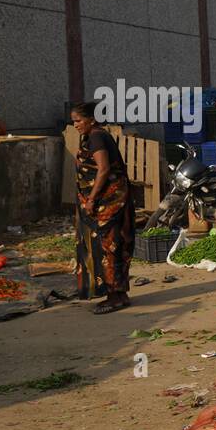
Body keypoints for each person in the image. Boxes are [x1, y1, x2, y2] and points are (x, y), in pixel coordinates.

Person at [70, 101, 135, 314]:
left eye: (79, 120)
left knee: (109, 248)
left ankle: (114, 297)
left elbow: (104, 169)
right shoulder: (94, 135)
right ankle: (120, 295)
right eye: (73, 121)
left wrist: (92, 199)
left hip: (108, 202)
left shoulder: (97, 136)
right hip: (111, 201)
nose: (76, 125)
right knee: (114, 245)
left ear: (91, 119)